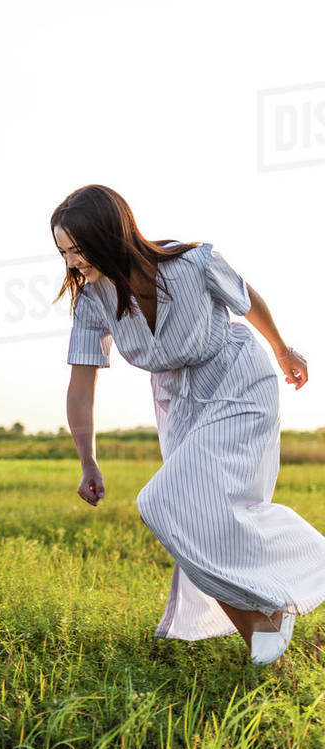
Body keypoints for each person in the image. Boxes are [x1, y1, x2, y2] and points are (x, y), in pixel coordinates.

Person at [55, 184, 324, 665]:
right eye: (64, 254)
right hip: (179, 403)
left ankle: (280, 599)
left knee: (161, 501)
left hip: (239, 377)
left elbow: (246, 299)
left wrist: (283, 350)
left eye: (76, 250)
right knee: (190, 513)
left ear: (108, 234)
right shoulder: (94, 300)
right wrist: (87, 459)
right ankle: (263, 623)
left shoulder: (193, 263)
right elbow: (81, 385)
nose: (72, 263)